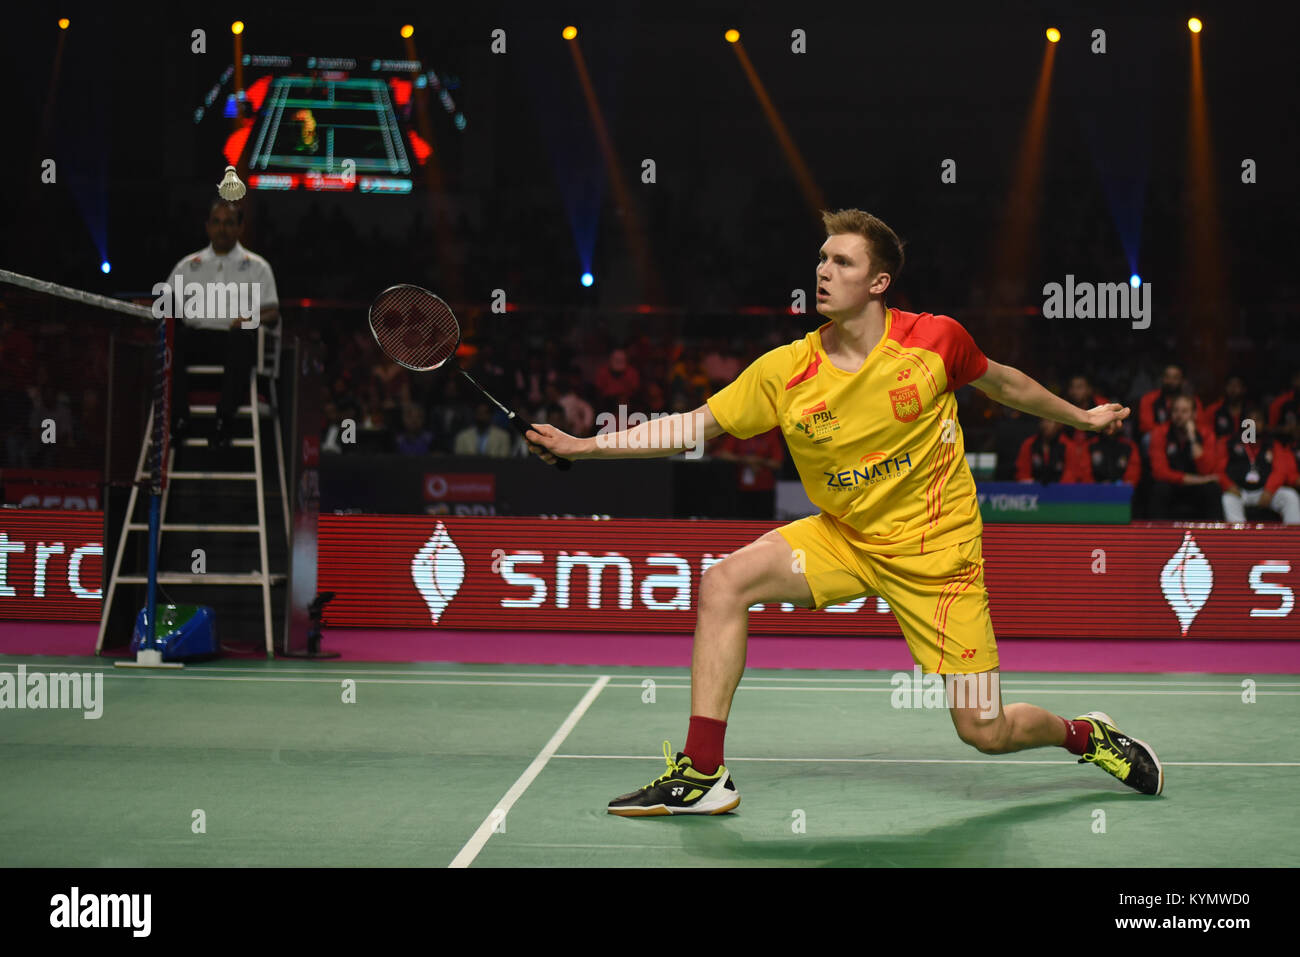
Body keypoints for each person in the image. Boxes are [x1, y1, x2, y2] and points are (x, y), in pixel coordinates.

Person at [524, 208, 1164, 815]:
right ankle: (702, 774)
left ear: (879, 281)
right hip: (847, 537)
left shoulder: (935, 341)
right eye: (822, 259)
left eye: (843, 262)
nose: (824, 272)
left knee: (984, 730)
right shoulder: (786, 371)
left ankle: (1087, 737)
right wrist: (587, 447)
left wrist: (1081, 418)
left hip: (939, 556)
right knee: (724, 582)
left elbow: (1003, 382)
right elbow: (693, 425)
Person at [165, 198, 280, 448]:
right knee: (173, 339)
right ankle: (179, 420)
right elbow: (165, 304)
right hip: (197, 339)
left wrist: (253, 319)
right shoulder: (187, 266)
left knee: (242, 337)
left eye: (229, 223)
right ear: (207, 227)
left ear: (240, 228)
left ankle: (223, 420)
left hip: (234, 339)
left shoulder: (258, 267)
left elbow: (273, 312)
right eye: (216, 223)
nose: (222, 229)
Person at [1216, 402, 1300, 523]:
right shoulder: (1230, 443)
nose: (1253, 424)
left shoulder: (1272, 445)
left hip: (1264, 491)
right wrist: (1228, 485)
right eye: (1249, 420)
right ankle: (1238, 539)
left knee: (1289, 496)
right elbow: (1218, 470)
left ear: (1264, 424)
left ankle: (1293, 540)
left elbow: (1281, 471)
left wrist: (1269, 491)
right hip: (1239, 491)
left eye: (1258, 420)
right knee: (1228, 498)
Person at [1147, 394, 1221, 519]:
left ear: (1194, 414)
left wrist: (1192, 438)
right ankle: (1157, 536)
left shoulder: (1206, 434)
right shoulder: (1160, 433)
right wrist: (1199, 479)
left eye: (1184, 411)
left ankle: (1215, 536)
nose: (1179, 415)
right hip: (1172, 485)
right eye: (1176, 410)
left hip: (1196, 489)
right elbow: (1160, 472)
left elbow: (1206, 470)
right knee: (1159, 489)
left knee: (1212, 489)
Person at [1137, 363, 1202, 439]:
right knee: (1148, 437)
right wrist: (1169, 430)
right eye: (1167, 377)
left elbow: (1201, 424)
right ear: (1162, 378)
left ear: (1182, 380)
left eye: (1175, 378)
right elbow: (1145, 426)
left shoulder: (1192, 400)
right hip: (1160, 436)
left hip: (1187, 434)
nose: (1170, 381)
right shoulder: (1149, 399)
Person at [1014, 418, 1071, 483]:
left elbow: (1070, 475)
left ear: (1059, 425)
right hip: (1034, 489)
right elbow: (1022, 473)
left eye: (1049, 421)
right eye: (1043, 421)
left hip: (1060, 489)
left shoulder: (1067, 445)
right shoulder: (1029, 444)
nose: (1046, 425)